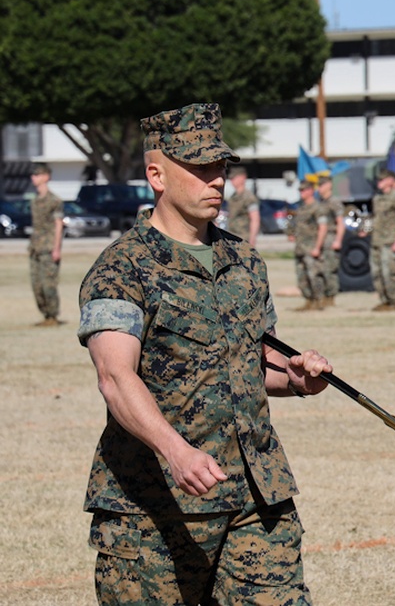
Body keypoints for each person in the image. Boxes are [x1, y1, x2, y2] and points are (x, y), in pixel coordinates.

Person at [77, 102, 335, 604]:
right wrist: (176, 451)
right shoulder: (121, 268)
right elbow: (115, 377)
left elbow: (253, 369)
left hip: (256, 502)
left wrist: (300, 378)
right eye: (199, 168)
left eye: (220, 166)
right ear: (157, 174)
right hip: (153, 510)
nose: (216, 179)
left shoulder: (244, 260)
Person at [369, 168, 395, 312]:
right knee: (377, 273)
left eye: (382, 179)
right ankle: (385, 300)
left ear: (391, 181)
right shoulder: (377, 198)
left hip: (391, 241)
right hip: (377, 241)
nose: (379, 182)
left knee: (391, 273)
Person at [28, 162, 64, 326]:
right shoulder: (34, 201)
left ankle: (52, 316)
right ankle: (45, 315)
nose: (33, 178)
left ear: (46, 177)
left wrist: (56, 248)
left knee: (48, 284)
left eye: (37, 174)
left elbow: (58, 224)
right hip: (35, 247)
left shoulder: (54, 200)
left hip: (49, 247)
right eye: (33, 175)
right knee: (36, 285)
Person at [288, 180, 328, 311]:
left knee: (314, 275)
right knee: (302, 276)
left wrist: (317, 247)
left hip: (311, 247)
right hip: (301, 248)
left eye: (304, 190)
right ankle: (309, 300)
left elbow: (322, 227)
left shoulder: (317, 208)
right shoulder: (301, 208)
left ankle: (319, 301)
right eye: (300, 190)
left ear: (311, 191)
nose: (302, 193)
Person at [315, 175, 346, 307]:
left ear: (329, 185)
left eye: (321, 185)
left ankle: (330, 297)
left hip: (330, 238)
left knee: (330, 269)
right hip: (321, 238)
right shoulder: (321, 202)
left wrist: (338, 240)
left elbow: (341, 222)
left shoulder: (334, 202)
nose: (319, 188)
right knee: (321, 269)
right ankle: (322, 295)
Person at [225, 165, 260, 247]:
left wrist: (252, 238)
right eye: (231, 178)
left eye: (234, 178)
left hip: (244, 237)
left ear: (242, 177)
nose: (232, 181)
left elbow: (255, 219)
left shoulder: (248, 197)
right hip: (232, 236)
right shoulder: (233, 196)